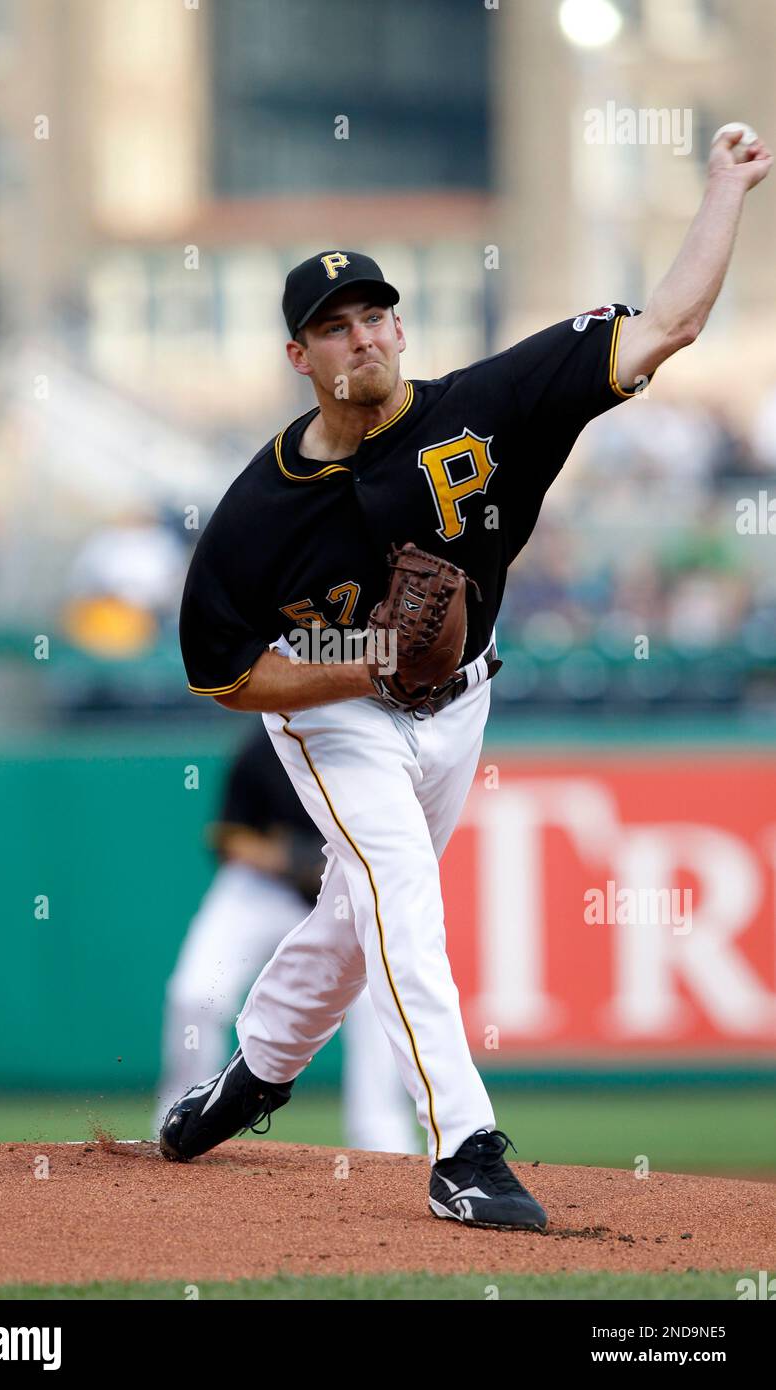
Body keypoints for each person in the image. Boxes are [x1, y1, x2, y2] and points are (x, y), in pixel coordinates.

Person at [161, 128, 771, 1230]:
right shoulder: (254, 515)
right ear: (299, 356)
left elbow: (668, 323)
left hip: (463, 699)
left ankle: (253, 1072)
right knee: (400, 892)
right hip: (336, 721)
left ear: (399, 324)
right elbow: (223, 673)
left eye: (373, 315)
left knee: (357, 920)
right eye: (331, 326)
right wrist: (360, 661)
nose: (360, 337)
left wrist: (723, 188)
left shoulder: (490, 404)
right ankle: (463, 1149)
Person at [156, 726, 419, 1152]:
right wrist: (287, 859)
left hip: (339, 893)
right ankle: (177, 1120)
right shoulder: (265, 744)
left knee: (376, 1005)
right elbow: (228, 835)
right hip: (260, 892)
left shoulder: (370, 744)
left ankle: (383, 1141)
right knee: (195, 994)